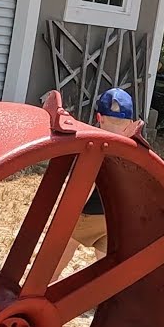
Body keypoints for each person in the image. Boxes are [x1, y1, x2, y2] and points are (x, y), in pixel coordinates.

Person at [54, 88, 140, 279]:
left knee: (55, 262)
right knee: (107, 271)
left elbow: (85, 187)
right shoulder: (133, 151)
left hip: (84, 217)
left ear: (99, 117)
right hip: (112, 220)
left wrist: (64, 216)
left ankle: (40, 289)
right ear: (131, 124)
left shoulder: (93, 147)